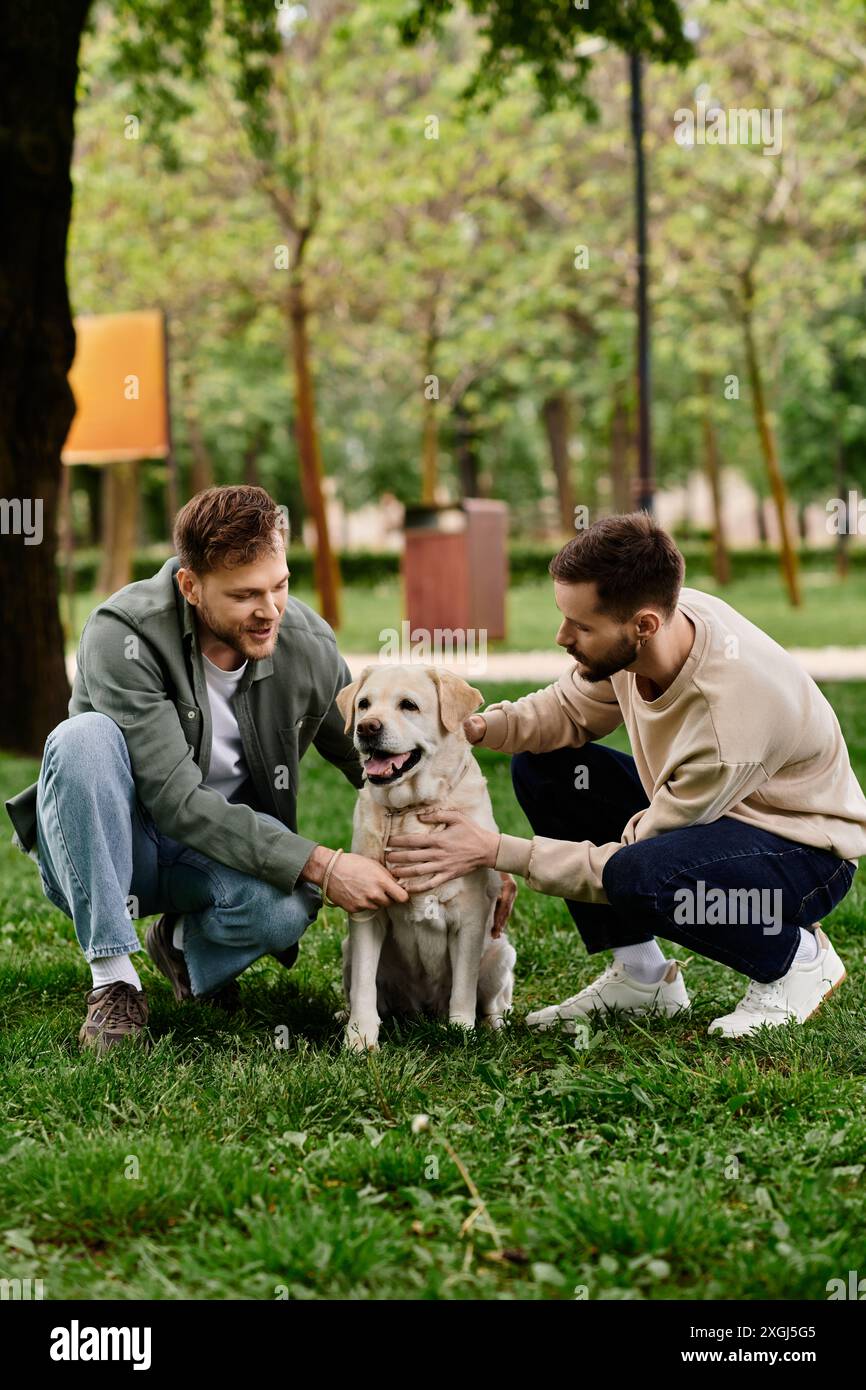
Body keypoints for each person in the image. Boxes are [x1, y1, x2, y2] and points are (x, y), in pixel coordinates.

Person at [384, 512, 866, 1040]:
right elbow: (568, 711)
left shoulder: (728, 719)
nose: (561, 635)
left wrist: (496, 851)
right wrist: (472, 727)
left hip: (802, 853)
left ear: (643, 626)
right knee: (545, 768)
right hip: (714, 815)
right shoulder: (665, 620)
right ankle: (642, 978)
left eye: (581, 626)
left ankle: (795, 959)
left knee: (638, 877)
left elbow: (624, 863)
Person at [5, 486, 427, 1052]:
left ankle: (178, 946)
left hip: (208, 854)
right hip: (108, 848)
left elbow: (367, 755)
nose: (271, 610)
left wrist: (472, 846)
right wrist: (324, 864)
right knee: (84, 738)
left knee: (288, 903)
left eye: (279, 585)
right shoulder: (121, 634)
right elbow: (174, 800)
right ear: (190, 585)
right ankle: (114, 982)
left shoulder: (305, 643)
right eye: (246, 595)